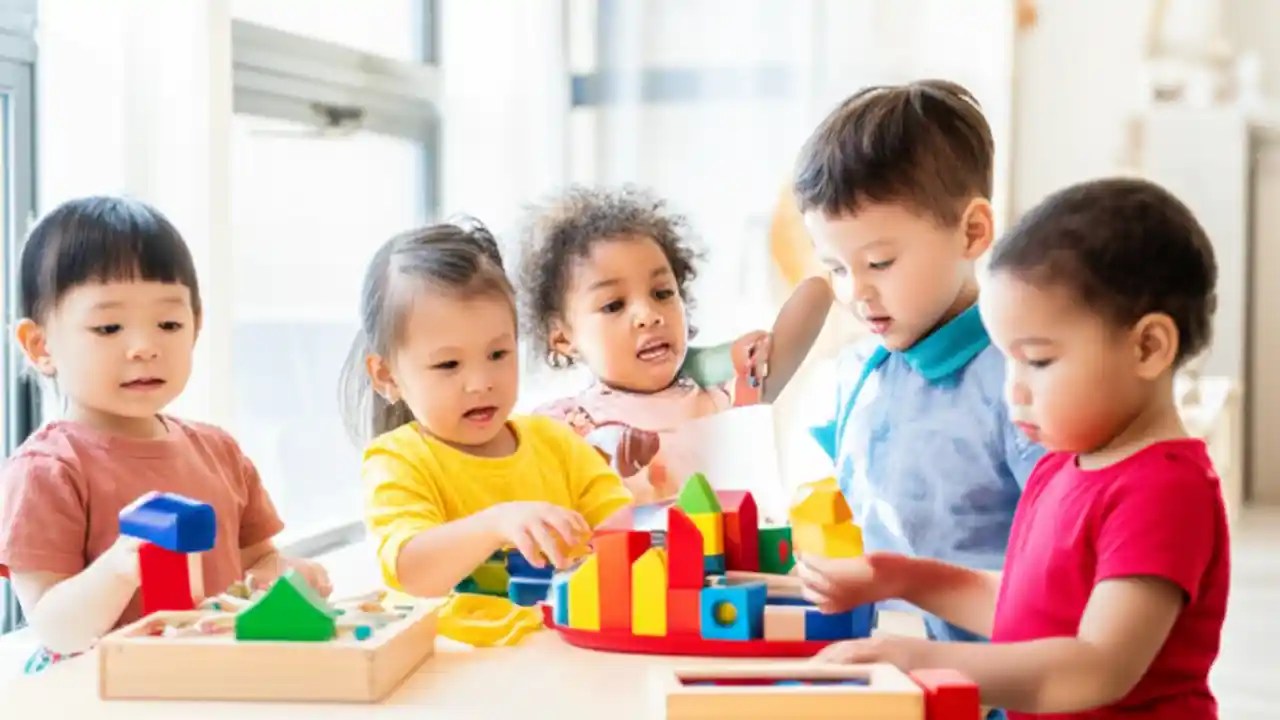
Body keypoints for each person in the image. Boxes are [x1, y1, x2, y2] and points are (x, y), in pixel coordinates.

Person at [801, 177, 1229, 719]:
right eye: (1009, 360)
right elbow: (1028, 610)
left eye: (1039, 361)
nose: (1014, 390)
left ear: (1148, 346)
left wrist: (924, 660)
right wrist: (902, 578)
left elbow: (1096, 667)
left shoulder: (1164, 490)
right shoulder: (1064, 465)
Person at [0, 196, 329, 672]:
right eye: (109, 326)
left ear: (196, 327)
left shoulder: (219, 451)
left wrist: (283, 577)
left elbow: (258, 563)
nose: (144, 347)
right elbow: (55, 628)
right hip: (99, 692)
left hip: (209, 676)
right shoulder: (48, 469)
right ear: (40, 345)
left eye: (169, 323)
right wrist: (119, 567)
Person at [796, 80, 1043, 650]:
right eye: (835, 268)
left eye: (879, 262)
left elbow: (1067, 585)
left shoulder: (1020, 383)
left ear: (973, 232)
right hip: (886, 670)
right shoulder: (855, 376)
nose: (856, 292)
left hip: (1000, 687)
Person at [341, 220, 632, 598]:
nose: (481, 383)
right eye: (448, 365)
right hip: (456, 655)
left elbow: (625, 530)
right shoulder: (399, 460)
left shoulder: (558, 444)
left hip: (560, 649)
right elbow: (410, 570)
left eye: (498, 354)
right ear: (386, 376)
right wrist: (496, 524)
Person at [519, 185, 831, 503]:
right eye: (613, 305)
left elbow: (816, 295)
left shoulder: (714, 400)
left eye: (662, 293)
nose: (649, 315)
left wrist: (833, 266)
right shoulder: (568, 425)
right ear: (562, 338)